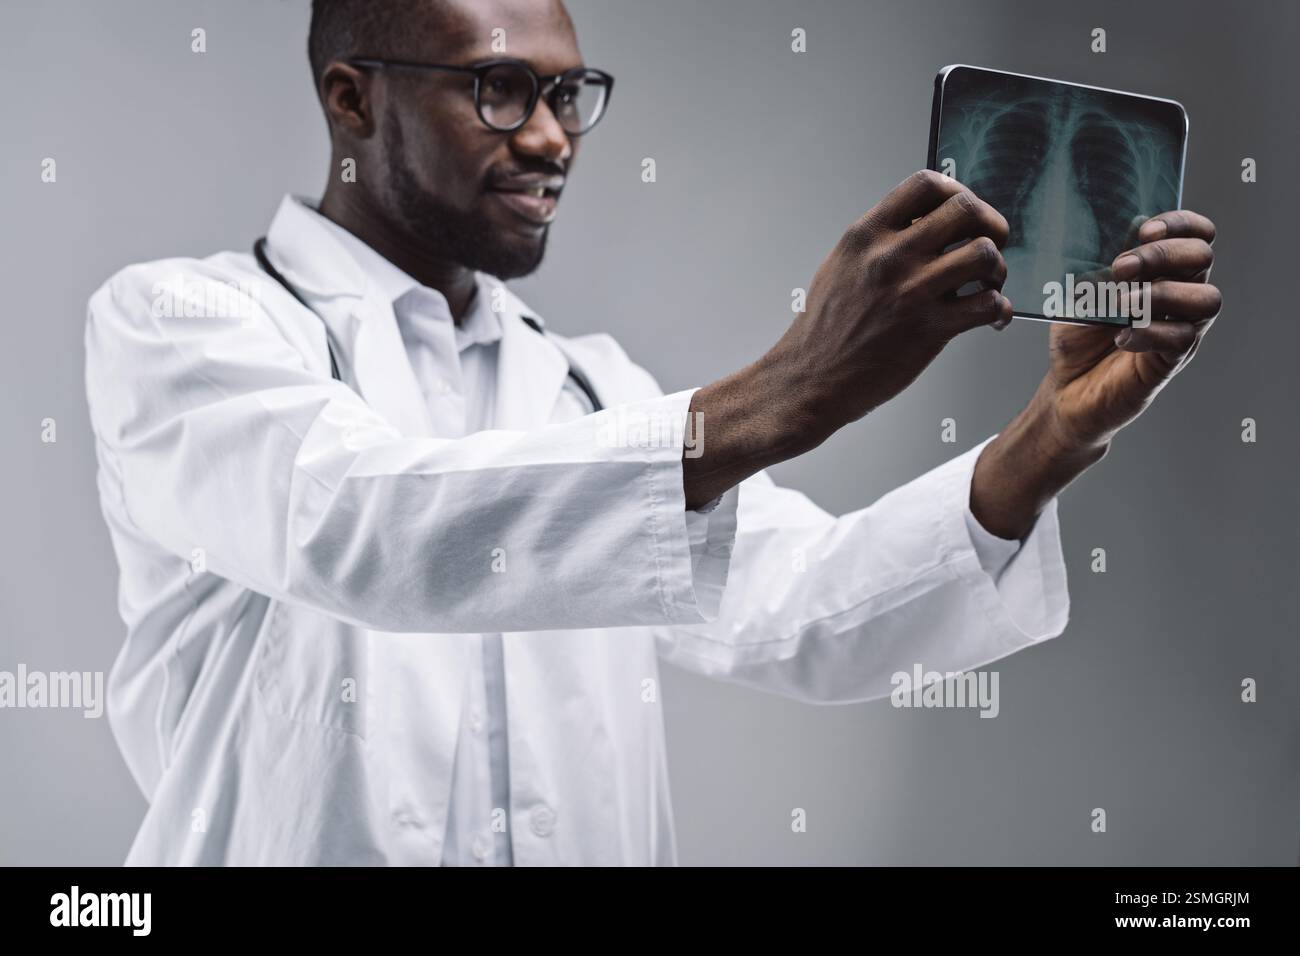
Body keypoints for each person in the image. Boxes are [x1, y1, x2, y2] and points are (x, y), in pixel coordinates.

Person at [83, 0, 1221, 865]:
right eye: (500, 90)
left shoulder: (588, 386)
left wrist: (1052, 433)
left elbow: (809, 614)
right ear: (351, 98)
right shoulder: (184, 323)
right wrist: (793, 382)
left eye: (568, 96)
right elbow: (360, 525)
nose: (550, 139)